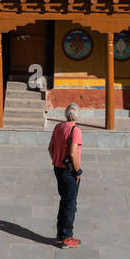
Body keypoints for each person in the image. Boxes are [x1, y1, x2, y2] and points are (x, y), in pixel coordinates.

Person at [48, 103, 82, 248]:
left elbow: (50, 147)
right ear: (77, 115)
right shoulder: (75, 130)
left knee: (64, 200)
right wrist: (78, 171)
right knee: (70, 203)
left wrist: (56, 159)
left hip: (57, 168)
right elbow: (73, 153)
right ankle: (67, 236)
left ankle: (60, 233)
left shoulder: (58, 127)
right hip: (69, 171)